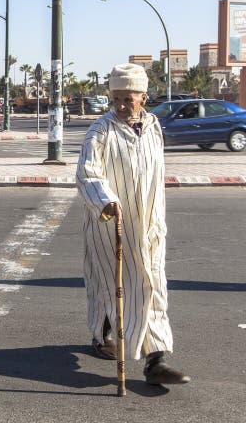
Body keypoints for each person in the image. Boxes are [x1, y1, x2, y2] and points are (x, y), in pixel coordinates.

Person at [76, 63, 190, 386]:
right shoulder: (101, 130)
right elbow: (87, 172)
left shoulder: (153, 127)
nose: (122, 106)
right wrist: (105, 199)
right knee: (109, 287)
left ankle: (157, 359)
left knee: (153, 286)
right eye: (117, 99)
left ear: (143, 97)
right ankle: (102, 334)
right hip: (111, 225)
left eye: (129, 99)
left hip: (150, 226)